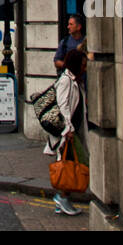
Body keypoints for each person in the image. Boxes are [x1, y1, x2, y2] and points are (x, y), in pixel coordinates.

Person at [51, 49, 87, 217]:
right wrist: (68, 129)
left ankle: (62, 200)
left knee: (70, 164)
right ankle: (62, 197)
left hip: (74, 130)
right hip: (68, 132)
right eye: (83, 64)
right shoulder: (66, 80)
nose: (85, 67)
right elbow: (62, 105)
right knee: (70, 164)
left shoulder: (74, 79)